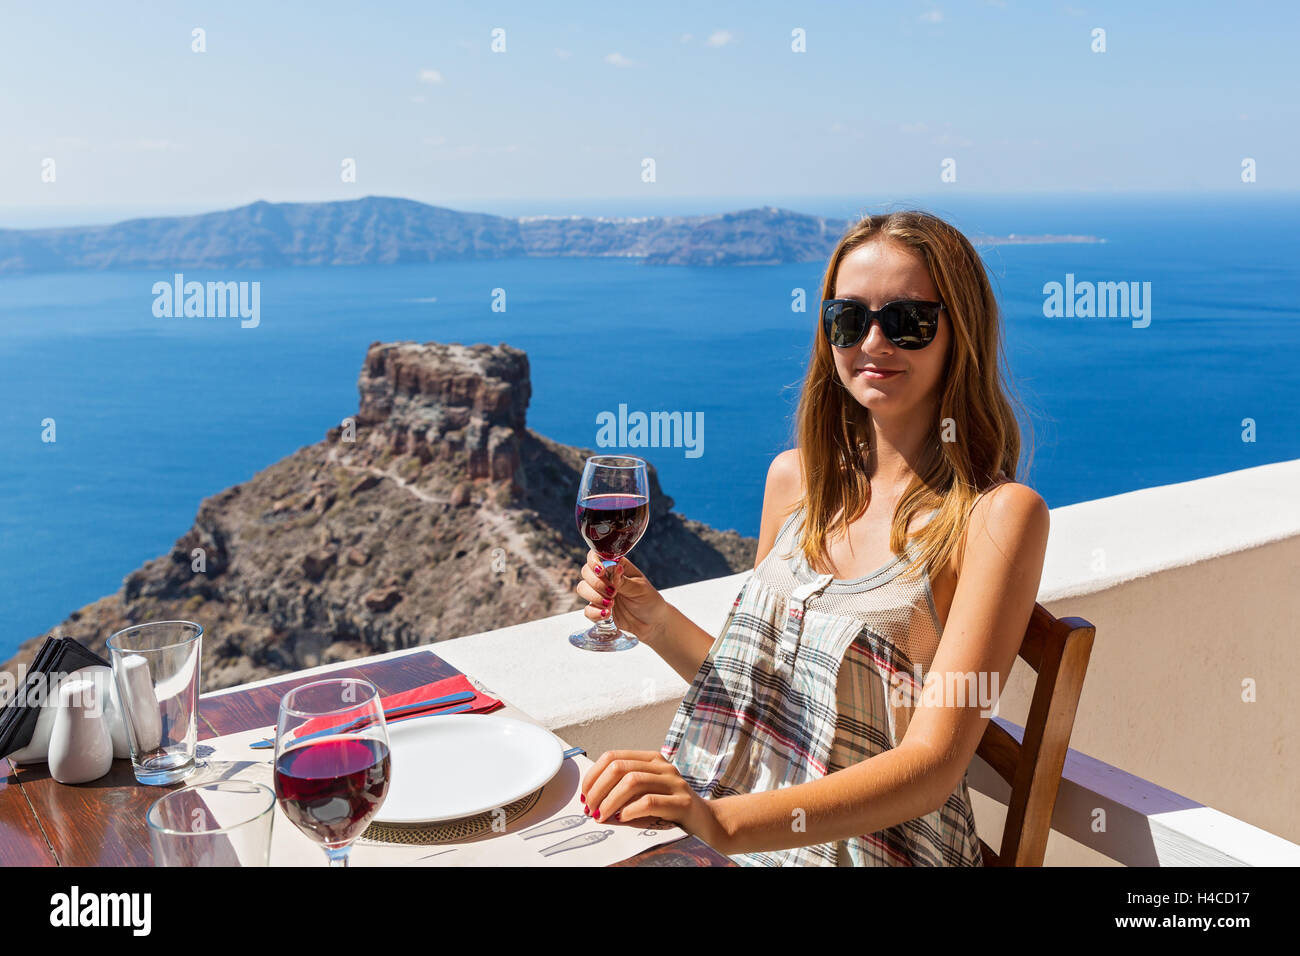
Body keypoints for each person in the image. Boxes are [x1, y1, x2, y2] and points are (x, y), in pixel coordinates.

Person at [574, 209, 1050, 865]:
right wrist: (651, 617)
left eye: (908, 322)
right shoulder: (795, 481)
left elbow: (933, 766)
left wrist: (716, 820)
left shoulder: (995, 517)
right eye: (849, 319)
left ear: (958, 334)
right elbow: (764, 690)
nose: (873, 343)